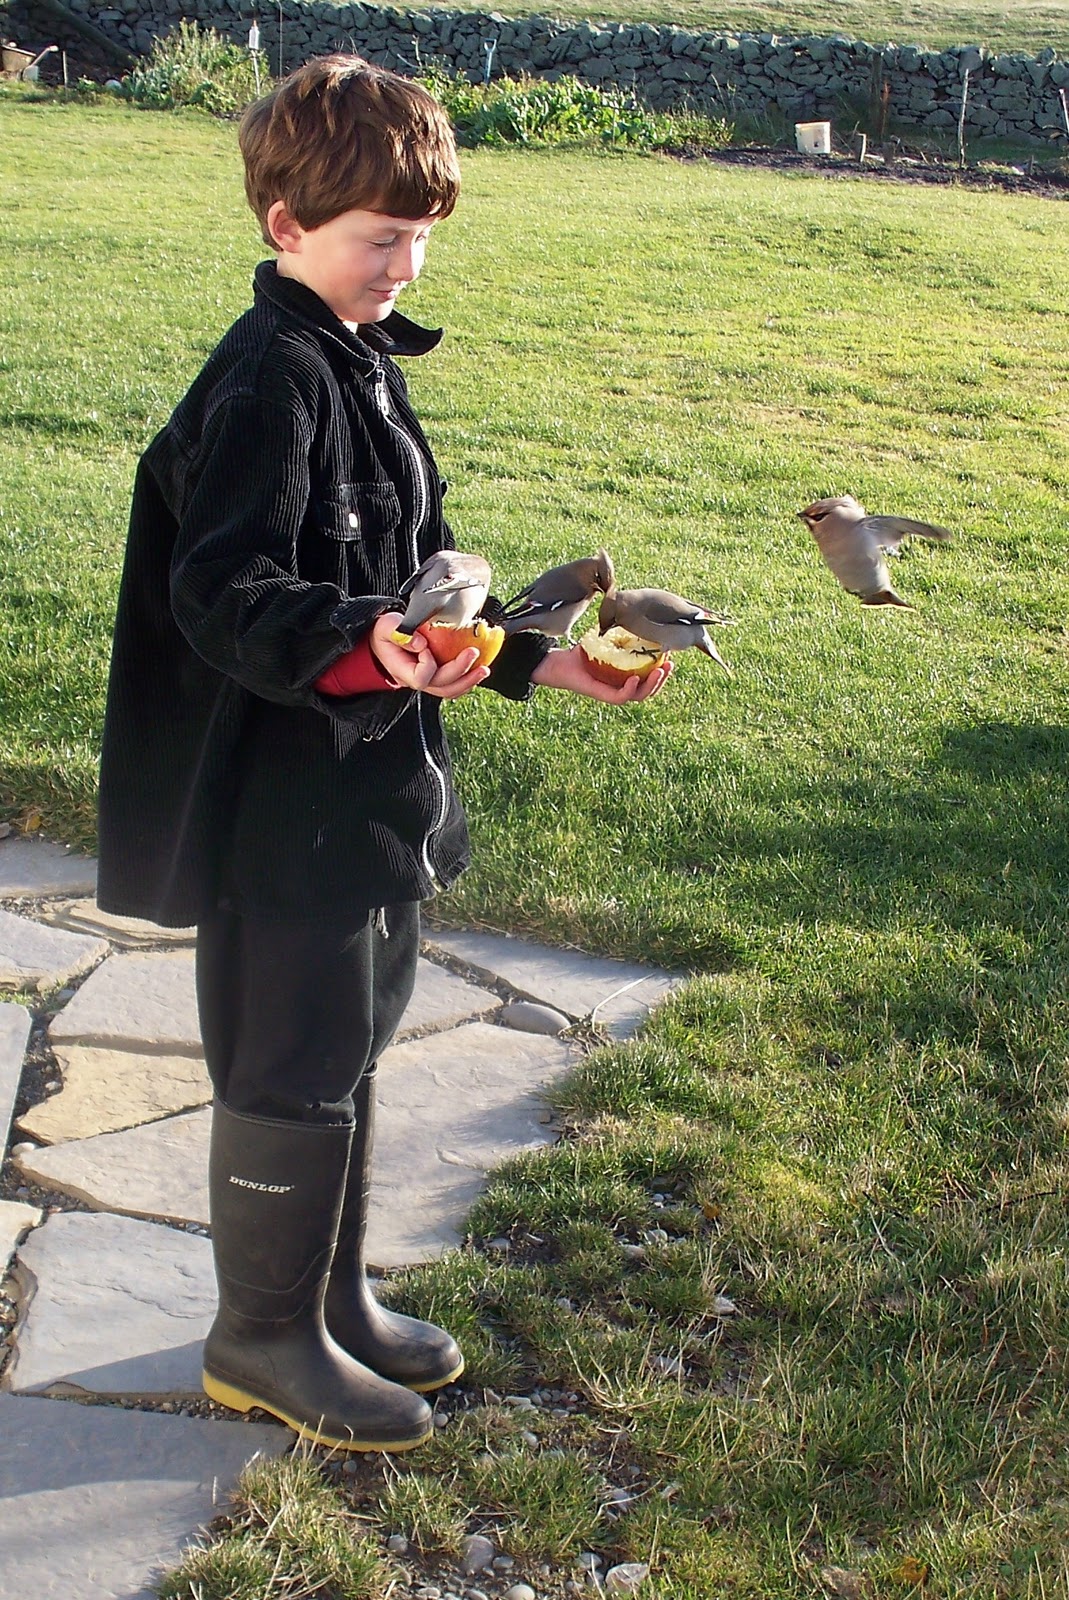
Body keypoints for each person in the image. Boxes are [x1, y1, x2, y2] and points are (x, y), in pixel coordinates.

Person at [96, 52, 670, 1455]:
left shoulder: (355, 363)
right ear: (285, 224)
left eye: (421, 236)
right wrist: (367, 646)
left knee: (348, 1047)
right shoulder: (267, 384)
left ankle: (329, 1299)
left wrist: (535, 657)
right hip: (278, 812)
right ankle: (261, 1336)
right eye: (379, 238)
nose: (406, 265)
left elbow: (421, 584)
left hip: (365, 800)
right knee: (289, 1064)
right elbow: (224, 594)